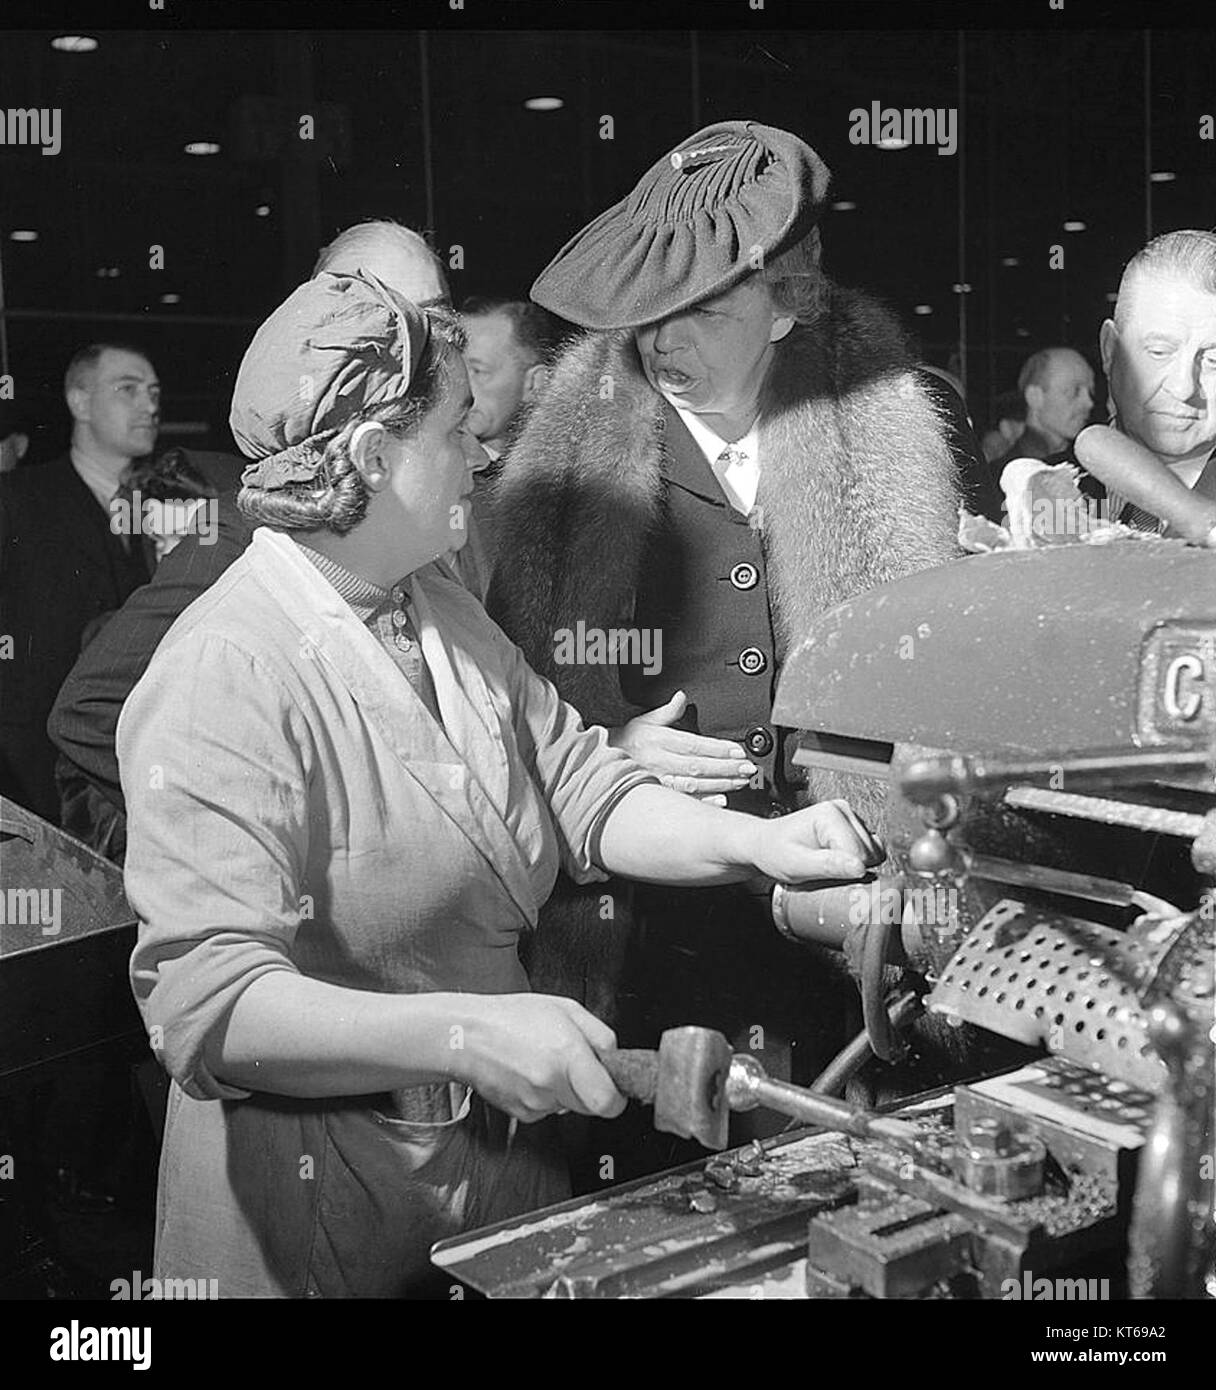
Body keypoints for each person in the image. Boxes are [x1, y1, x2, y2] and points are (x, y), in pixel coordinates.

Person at [117, 269, 881, 1297]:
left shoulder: (442, 609)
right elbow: (208, 1011)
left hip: (489, 1165)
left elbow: (583, 790)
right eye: (454, 435)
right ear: (368, 456)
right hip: (324, 1201)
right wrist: (466, 1033)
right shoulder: (229, 668)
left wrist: (757, 843)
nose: (484, 454)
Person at [486, 121, 964, 1163]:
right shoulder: (554, 490)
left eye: (700, 311)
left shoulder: (877, 453)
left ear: (787, 306)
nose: (664, 343)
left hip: (841, 938)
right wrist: (600, 754)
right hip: (645, 948)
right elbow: (490, 731)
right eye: (649, 317)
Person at [48, 222, 451, 839]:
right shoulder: (254, 525)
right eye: (382, 314)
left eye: (430, 317)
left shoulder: (446, 510)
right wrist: (252, 838)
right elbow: (90, 711)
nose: (413, 343)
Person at [0, 343, 159, 822]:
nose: (149, 405)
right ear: (80, 402)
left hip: (134, 774)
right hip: (33, 778)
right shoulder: (17, 499)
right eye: (127, 390)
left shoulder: (174, 506)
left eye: (153, 392)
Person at [1081, 229, 1216, 526]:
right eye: (1159, 352)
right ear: (1110, 350)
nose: (1183, 387)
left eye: (1212, 361)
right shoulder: (1032, 496)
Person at [991, 346, 1094, 472]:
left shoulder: (1092, 470)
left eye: (1091, 391)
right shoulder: (998, 480)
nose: (1088, 403)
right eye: (1074, 391)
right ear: (1034, 397)